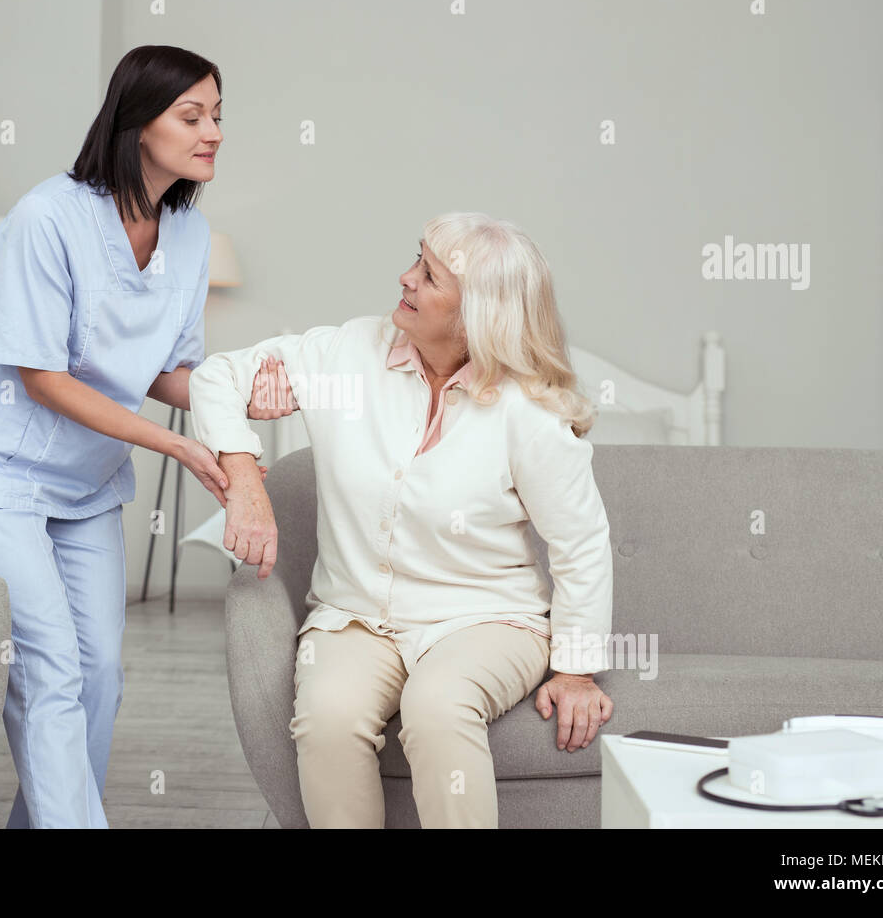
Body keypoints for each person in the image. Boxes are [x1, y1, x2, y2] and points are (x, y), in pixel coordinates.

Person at [0, 45, 273, 828]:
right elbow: (44, 375)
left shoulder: (188, 235)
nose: (213, 132)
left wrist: (240, 393)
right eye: (192, 116)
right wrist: (178, 445)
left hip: (84, 485)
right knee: (49, 668)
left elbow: (166, 369)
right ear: (137, 123)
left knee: (100, 672)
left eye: (217, 116)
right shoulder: (47, 218)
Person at [188, 213, 617, 827]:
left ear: (477, 316)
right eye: (416, 259)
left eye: (428, 275)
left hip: (487, 617)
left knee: (438, 707)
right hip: (357, 614)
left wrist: (575, 669)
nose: (405, 279)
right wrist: (246, 481)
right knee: (327, 718)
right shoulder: (348, 354)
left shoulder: (529, 412)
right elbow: (217, 375)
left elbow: (580, 544)